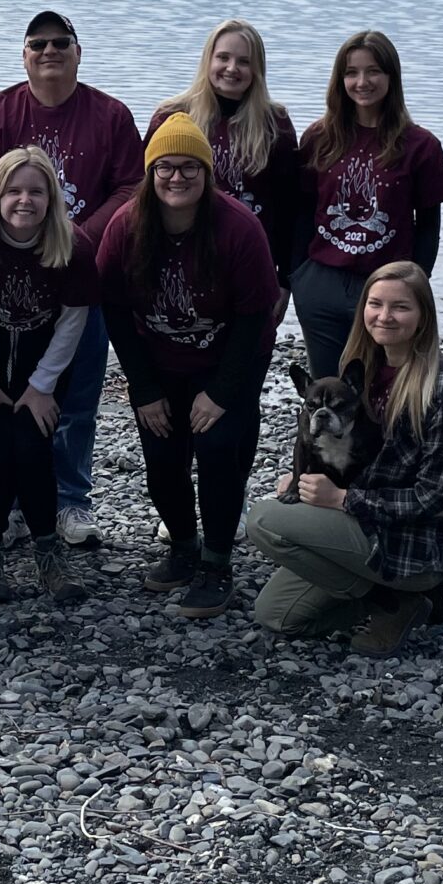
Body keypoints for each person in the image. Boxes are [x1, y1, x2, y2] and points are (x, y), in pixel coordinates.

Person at [0, 10, 143, 550]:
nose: (49, 52)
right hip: (10, 281)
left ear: (78, 52)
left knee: (77, 394)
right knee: (14, 393)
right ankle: (18, 503)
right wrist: (34, 239)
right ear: (23, 55)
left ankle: (70, 499)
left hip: (82, 273)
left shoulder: (111, 114)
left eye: (61, 42)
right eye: (37, 44)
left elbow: (130, 189)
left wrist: (70, 239)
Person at [96, 118, 279, 617]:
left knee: (218, 451)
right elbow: (113, 309)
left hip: (231, 357)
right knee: (161, 459)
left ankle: (217, 564)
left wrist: (221, 393)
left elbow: (255, 317)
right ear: (150, 173)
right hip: (159, 360)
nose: (177, 177)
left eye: (189, 167)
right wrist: (142, 388)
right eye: (166, 168)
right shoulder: (126, 226)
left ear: (207, 172)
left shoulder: (238, 226)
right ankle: (183, 546)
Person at [246, 262, 443, 656]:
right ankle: (396, 601)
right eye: (375, 304)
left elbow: (433, 499)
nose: (385, 316)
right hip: (367, 522)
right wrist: (301, 478)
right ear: (362, 310)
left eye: (400, 307)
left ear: (424, 316)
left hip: (418, 545)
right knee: (278, 615)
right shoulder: (363, 374)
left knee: (264, 519)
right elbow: (324, 445)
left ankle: (399, 598)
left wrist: (341, 499)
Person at [0, 147, 99, 606]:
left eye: (36, 191)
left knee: (35, 444)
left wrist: (41, 386)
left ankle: (48, 550)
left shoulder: (74, 246)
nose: (24, 200)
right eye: (13, 190)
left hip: (46, 358)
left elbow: (73, 323)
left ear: (51, 198)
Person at [292, 30, 443, 383]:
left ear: (391, 77)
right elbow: (302, 211)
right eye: (351, 72)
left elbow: (429, 225)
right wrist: (299, 275)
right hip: (322, 283)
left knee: (386, 387)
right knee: (329, 390)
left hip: (386, 287)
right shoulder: (318, 138)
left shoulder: (420, 145)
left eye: (373, 71)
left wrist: (415, 285)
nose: (362, 82)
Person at [150, 16, 306, 303]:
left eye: (244, 61)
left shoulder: (276, 124)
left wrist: (284, 280)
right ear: (208, 60)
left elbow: (289, 209)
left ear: (257, 69)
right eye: (223, 57)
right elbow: (145, 195)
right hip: (181, 256)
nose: (232, 68)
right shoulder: (171, 116)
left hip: (250, 260)